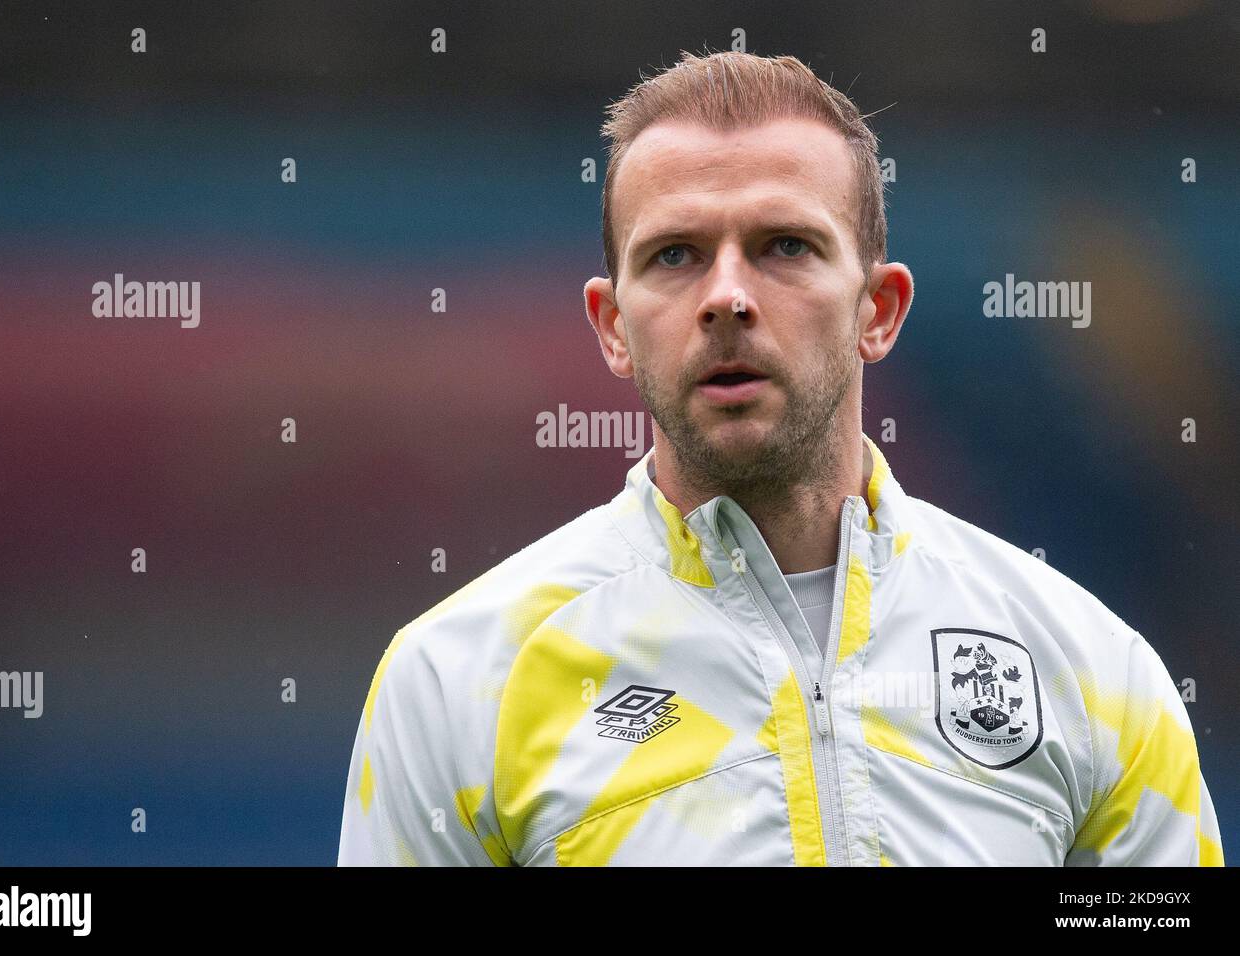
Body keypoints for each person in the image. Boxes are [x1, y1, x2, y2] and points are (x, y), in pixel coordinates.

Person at [337, 50, 1223, 866]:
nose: (727, 297)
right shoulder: (456, 679)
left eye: (784, 247)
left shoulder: (1091, 670)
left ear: (878, 309)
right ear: (613, 327)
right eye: (676, 255)